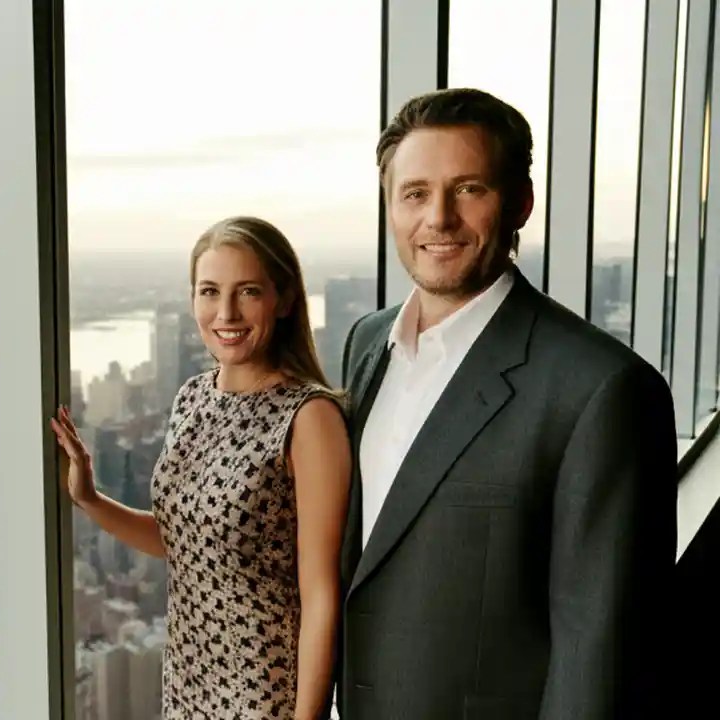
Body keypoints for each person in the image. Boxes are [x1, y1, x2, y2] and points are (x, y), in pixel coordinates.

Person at [337, 88, 677, 719]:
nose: (437, 217)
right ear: (390, 208)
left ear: (520, 203)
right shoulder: (365, 345)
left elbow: (597, 654)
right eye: (414, 193)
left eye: (468, 189)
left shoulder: (604, 390)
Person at [51, 216, 352, 719]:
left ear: (284, 300)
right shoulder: (193, 397)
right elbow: (184, 542)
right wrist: (91, 500)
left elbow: (321, 594)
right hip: (188, 686)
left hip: (266, 694)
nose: (226, 312)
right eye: (209, 291)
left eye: (248, 291)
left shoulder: (309, 418)